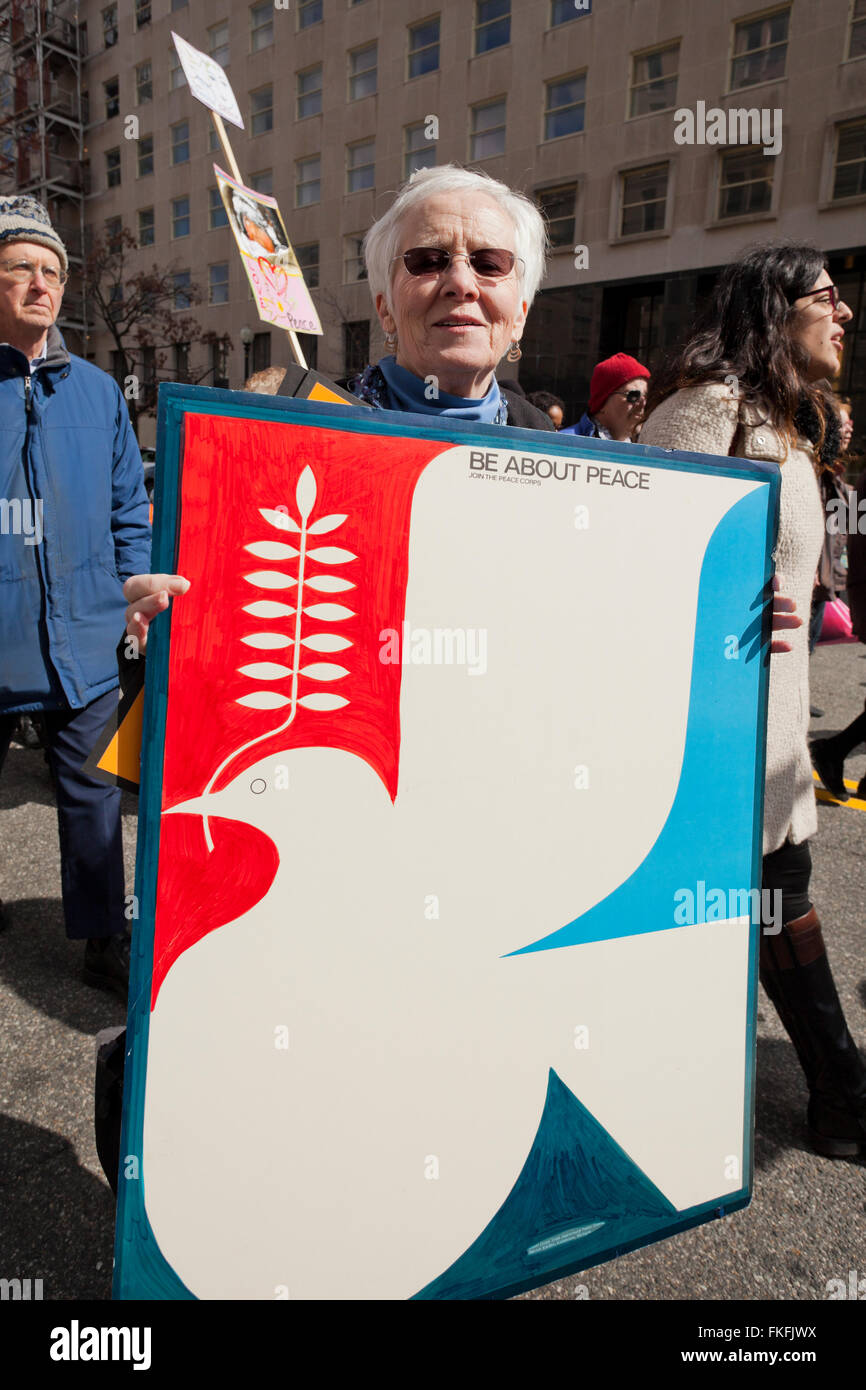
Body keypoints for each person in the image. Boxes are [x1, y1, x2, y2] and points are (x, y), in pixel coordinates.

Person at [640, 241, 865, 1158]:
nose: (844, 313)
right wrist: (709, 601)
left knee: (771, 901)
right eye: (825, 296)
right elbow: (641, 554)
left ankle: (836, 1094)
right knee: (750, 903)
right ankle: (841, 1095)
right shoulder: (709, 413)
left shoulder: (782, 420)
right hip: (711, 733)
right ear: (776, 310)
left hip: (767, 729)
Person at [0, 196, 151, 996]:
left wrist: (131, 593)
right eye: (20, 267)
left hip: (87, 638)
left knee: (92, 793)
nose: (40, 284)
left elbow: (130, 506)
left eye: (52, 271)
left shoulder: (97, 392)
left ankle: (101, 936)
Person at [561, 353, 650, 440]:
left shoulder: (646, 449)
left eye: (646, 396)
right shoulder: (565, 442)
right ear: (602, 403)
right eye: (633, 395)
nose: (643, 403)